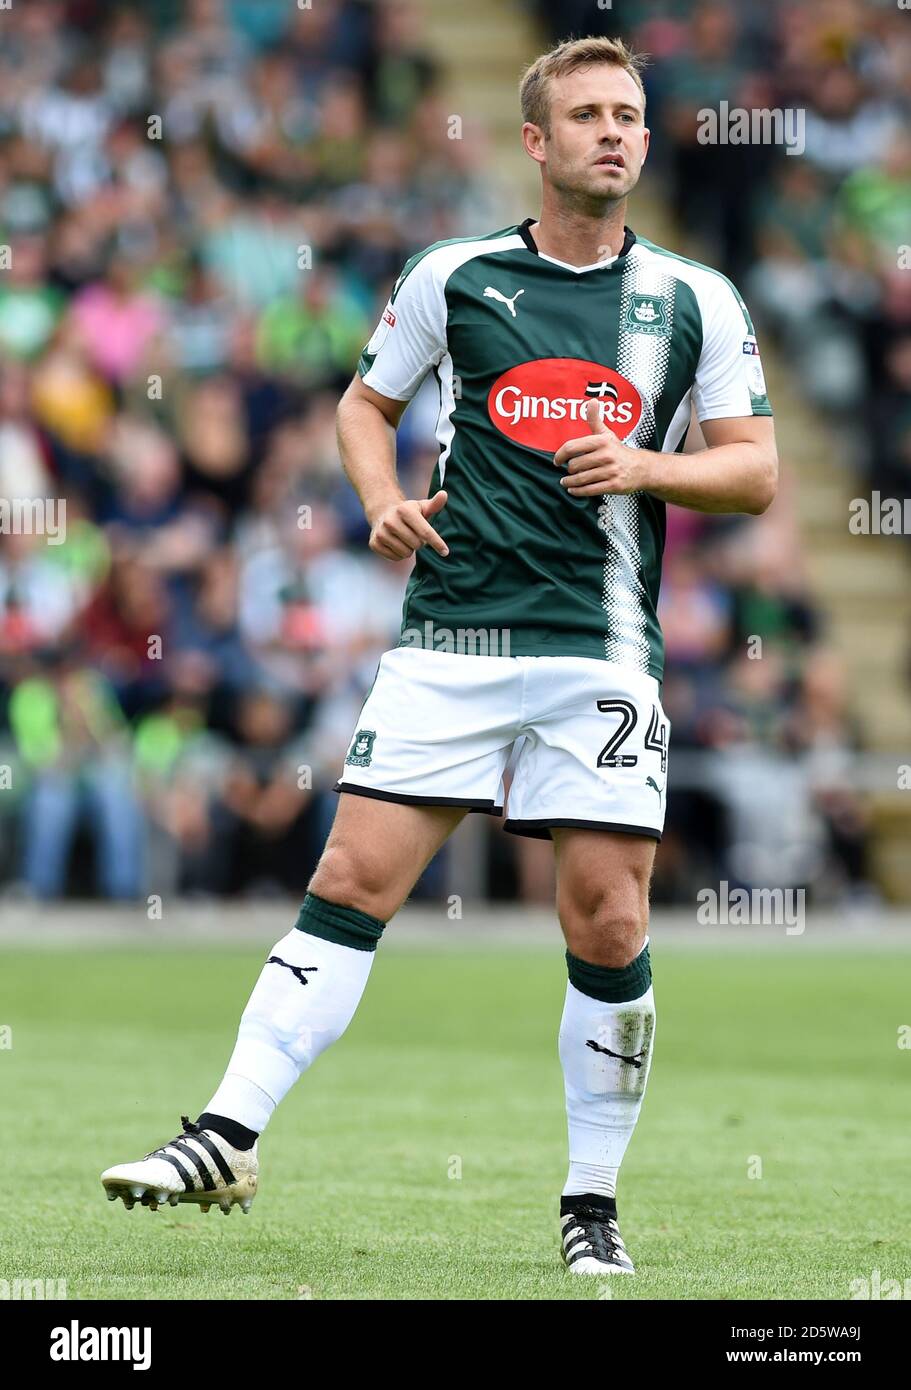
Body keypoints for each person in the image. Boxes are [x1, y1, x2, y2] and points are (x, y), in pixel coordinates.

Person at [100, 36, 777, 1277]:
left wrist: (644, 465)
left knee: (609, 914)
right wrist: (376, 498)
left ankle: (588, 1199)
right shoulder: (453, 275)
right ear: (535, 141)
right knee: (353, 875)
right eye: (585, 116)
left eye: (627, 114)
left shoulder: (696, 299)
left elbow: (752, 471)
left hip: (600, 648)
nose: (614, 133)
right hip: (451, 635)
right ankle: (226, 1131)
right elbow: (365, 403)